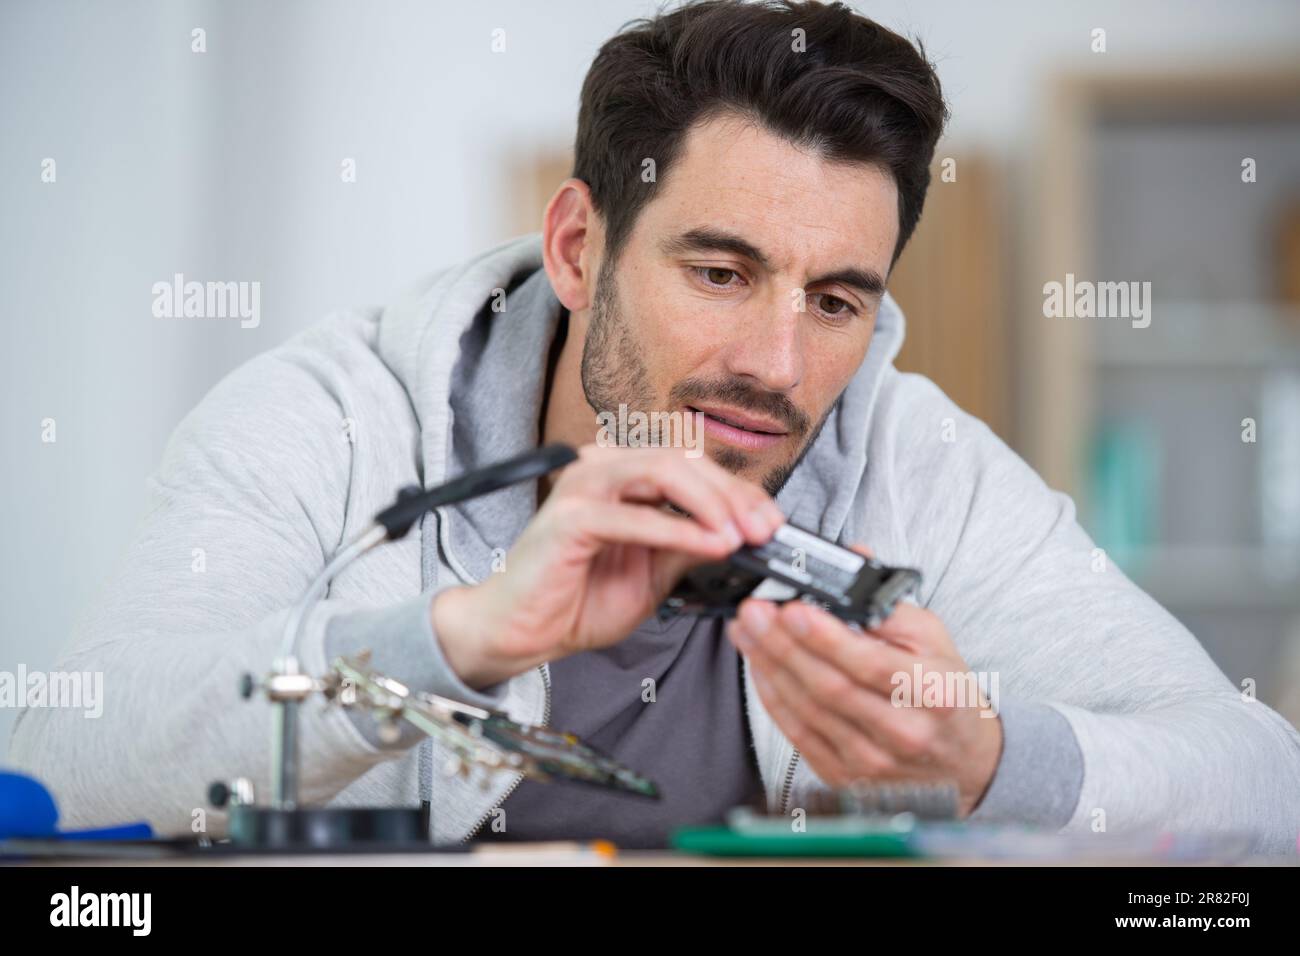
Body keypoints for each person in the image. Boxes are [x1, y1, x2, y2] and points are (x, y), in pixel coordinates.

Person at [12, 0, 1300, 852]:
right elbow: (68, 763)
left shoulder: (920, 466)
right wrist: (453, 644)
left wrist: (988, 760)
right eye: (721, 272)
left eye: (838, 298)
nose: (779, 367)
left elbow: (1266, 787)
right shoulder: (330, 421)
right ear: (581, 247)